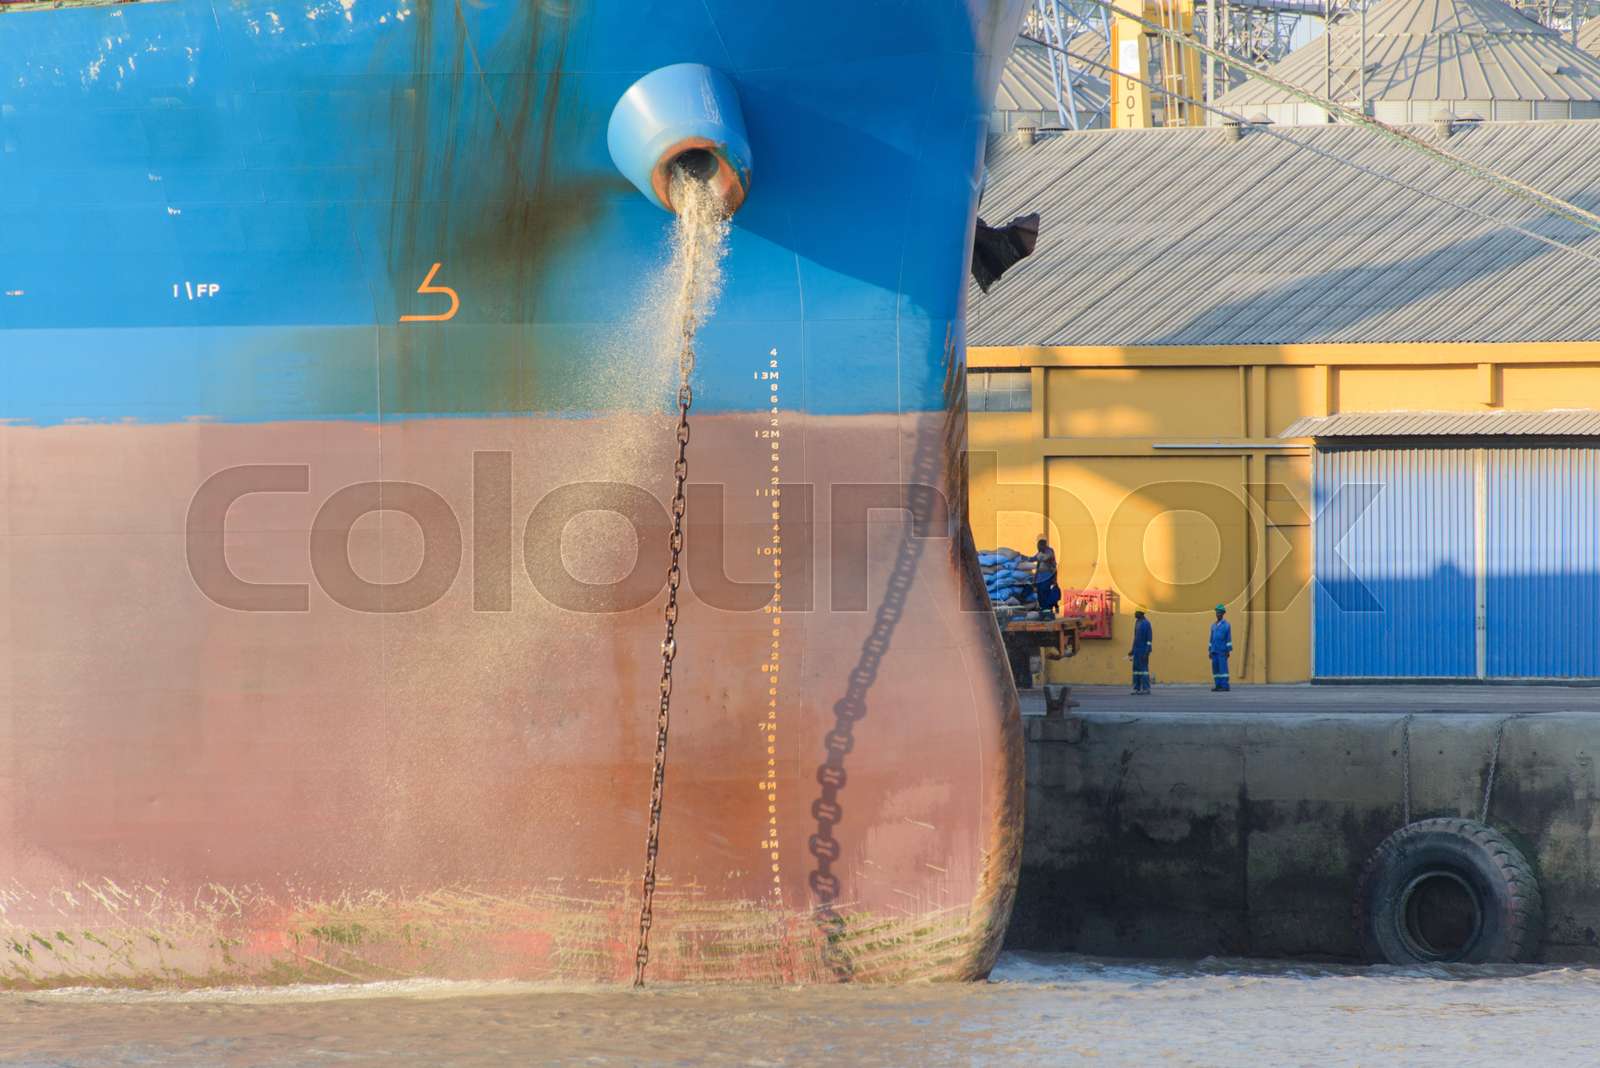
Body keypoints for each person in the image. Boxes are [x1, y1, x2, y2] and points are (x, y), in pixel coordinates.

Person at [1031, 535, 1061, 618]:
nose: (1039, 545)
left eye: (1041, 543)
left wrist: (1054, 579)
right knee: (1040, 595)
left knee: (1046, 594)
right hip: (1040, 578)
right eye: (1039, 544)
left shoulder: (1049, 551)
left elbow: (1045, 559)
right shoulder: (1040, 553)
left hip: (1048, 577)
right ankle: (1044, 614)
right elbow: (1036, 562)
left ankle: (1048, 614)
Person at [1128, 609, 1153, 695]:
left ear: (1141, 613)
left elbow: (1149, 639)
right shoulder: (1137, 623)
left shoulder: (1147, 624)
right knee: (1136, 670)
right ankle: (1136, 688)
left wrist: (1147, 651)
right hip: (1137, 650)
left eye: (1136, 612)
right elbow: (1135, 637)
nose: (1135, 613)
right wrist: (1132, 650)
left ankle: (1146, 689)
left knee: (1144, 670)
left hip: (1143, 650)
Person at [1209, 604, 1232, 692]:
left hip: (1222, 651)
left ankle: (1225, 686)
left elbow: (1228, 638)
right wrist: (1210, 651)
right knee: (1216, 670)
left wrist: (1228, 650)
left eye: (1219, 612)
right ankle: (1218, 685)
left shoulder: (1226, 625)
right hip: (1214, 651)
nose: (1218, 614)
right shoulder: (1213, 626)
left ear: (1223, 613)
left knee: (1223, 669)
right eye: (1217, 612)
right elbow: (1211, 639)